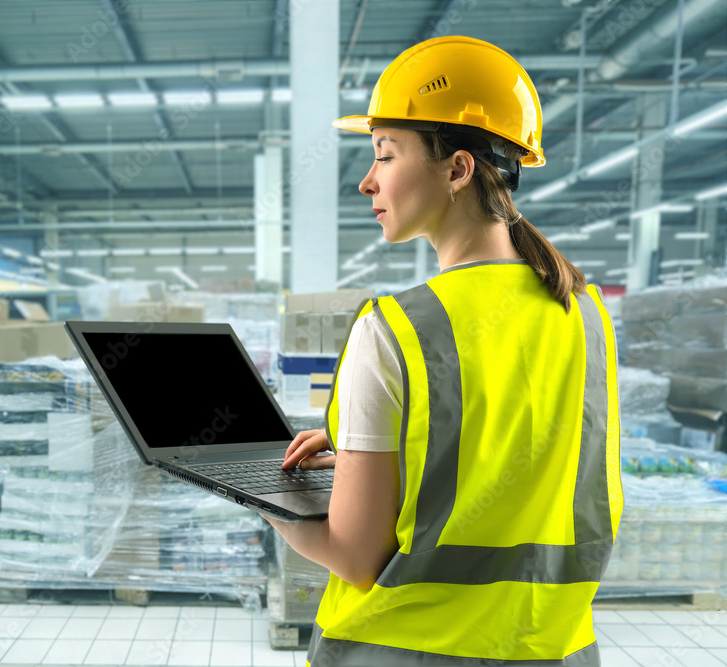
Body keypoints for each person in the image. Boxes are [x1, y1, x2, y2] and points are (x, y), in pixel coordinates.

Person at [262, 35, 622, 667]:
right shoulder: (586, 315)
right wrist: (374, 458)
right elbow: (508, 468)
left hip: (405, 652)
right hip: (554, 650)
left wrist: (268, 502)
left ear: (457, 170)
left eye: (385, 153)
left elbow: (356, 557)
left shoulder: (394, 328)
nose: (367, 181)